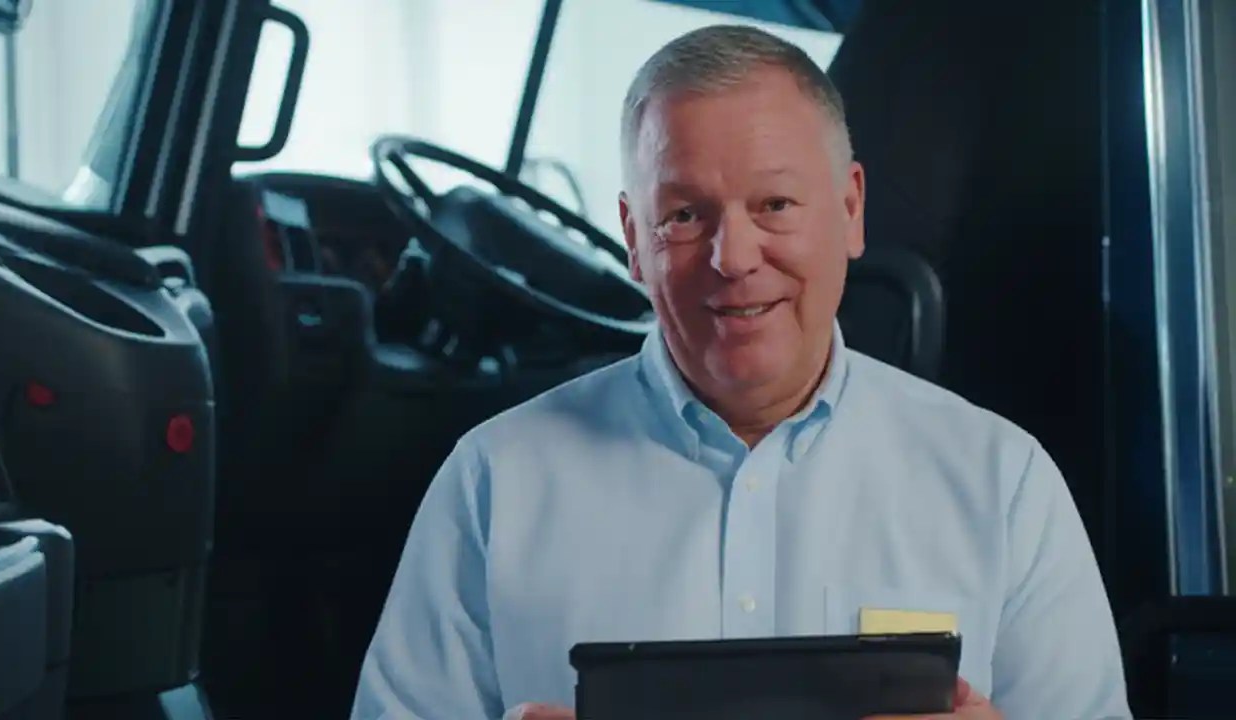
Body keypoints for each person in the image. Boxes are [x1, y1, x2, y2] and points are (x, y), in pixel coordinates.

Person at [349, 24, 1130, 720]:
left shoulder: (1004, 483)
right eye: (686, 215)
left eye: (776, 205)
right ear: (633, 234)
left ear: (851, 209)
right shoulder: (494, 481)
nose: (734, 259)